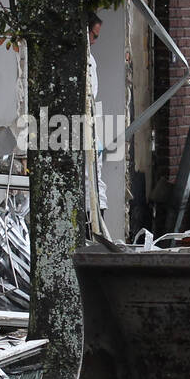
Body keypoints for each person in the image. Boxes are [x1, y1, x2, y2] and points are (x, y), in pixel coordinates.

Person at [87, 13, 108, 226]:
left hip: (89, 124)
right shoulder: (86, 61)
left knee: (93, 178)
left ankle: (97, 222)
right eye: (93, 35)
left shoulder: (89, 61)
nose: (94, 41)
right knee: (91, 179)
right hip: (84, 125)